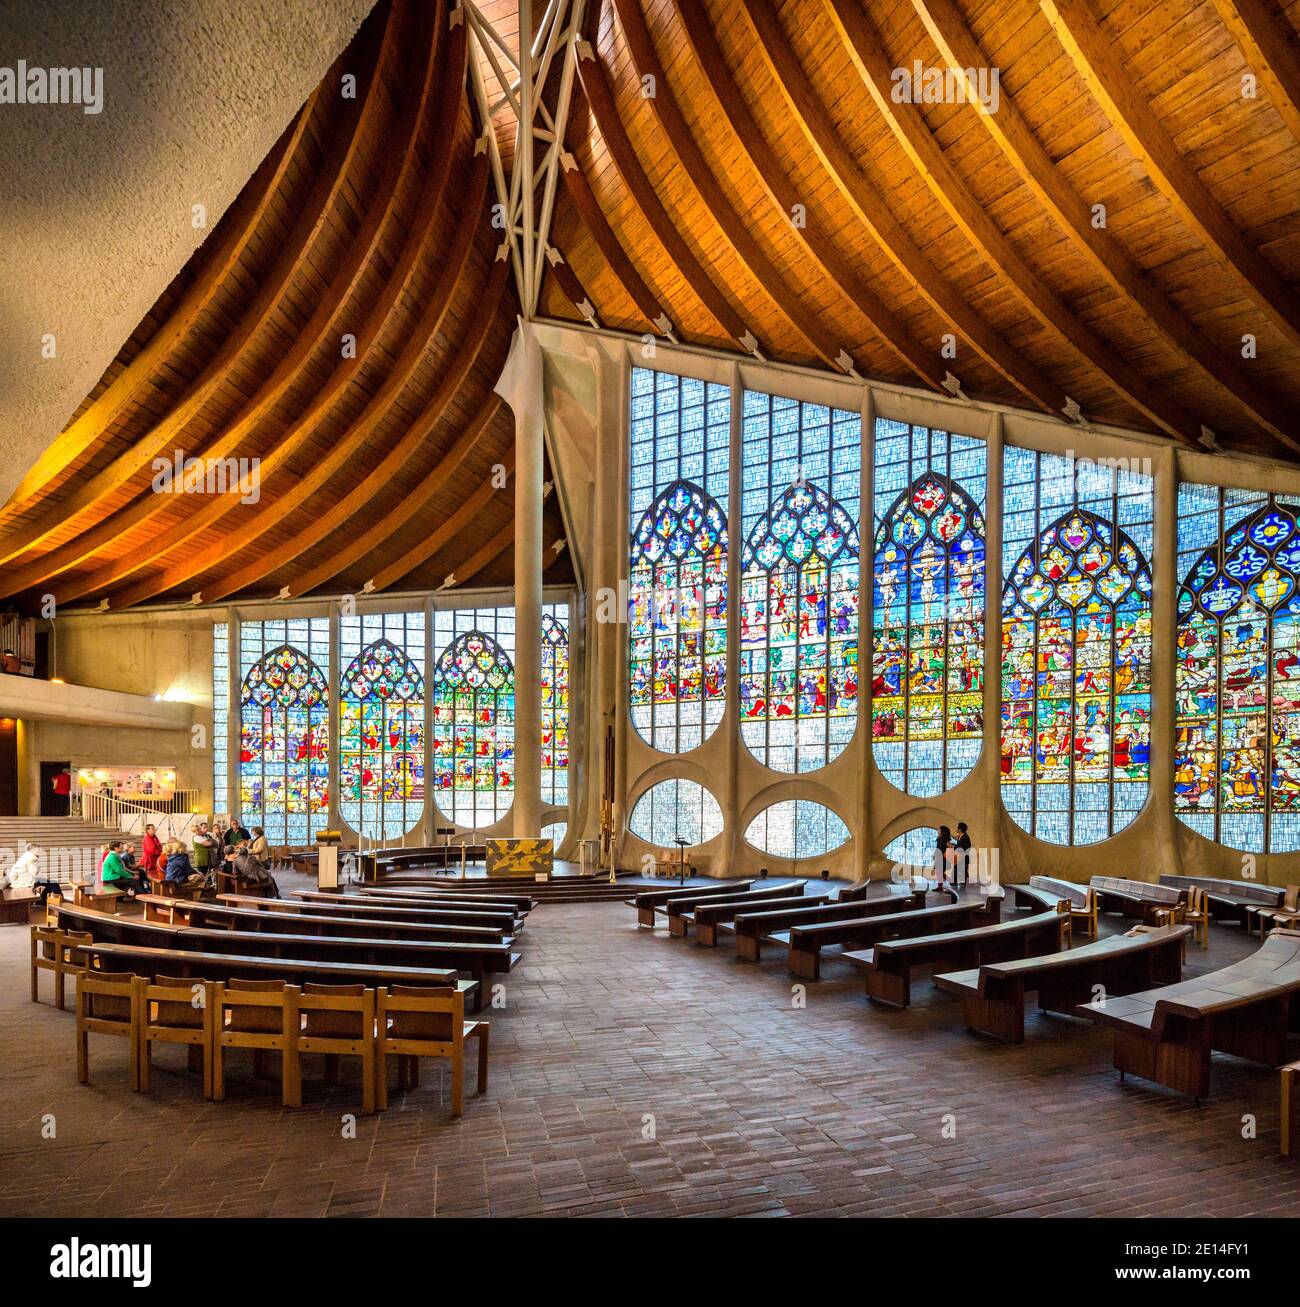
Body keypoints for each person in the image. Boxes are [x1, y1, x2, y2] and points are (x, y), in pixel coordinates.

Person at [953, 821, 973, 887]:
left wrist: (954, 847)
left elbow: (967, 848)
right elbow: (960, 846)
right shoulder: (960, 837)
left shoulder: (965, 837)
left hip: (962, 858)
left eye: (957, 827)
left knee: (961, 875)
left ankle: (960, 892)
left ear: (960, 829)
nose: (956, 828)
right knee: (955, 873)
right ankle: (955, 888)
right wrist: (953, 845)